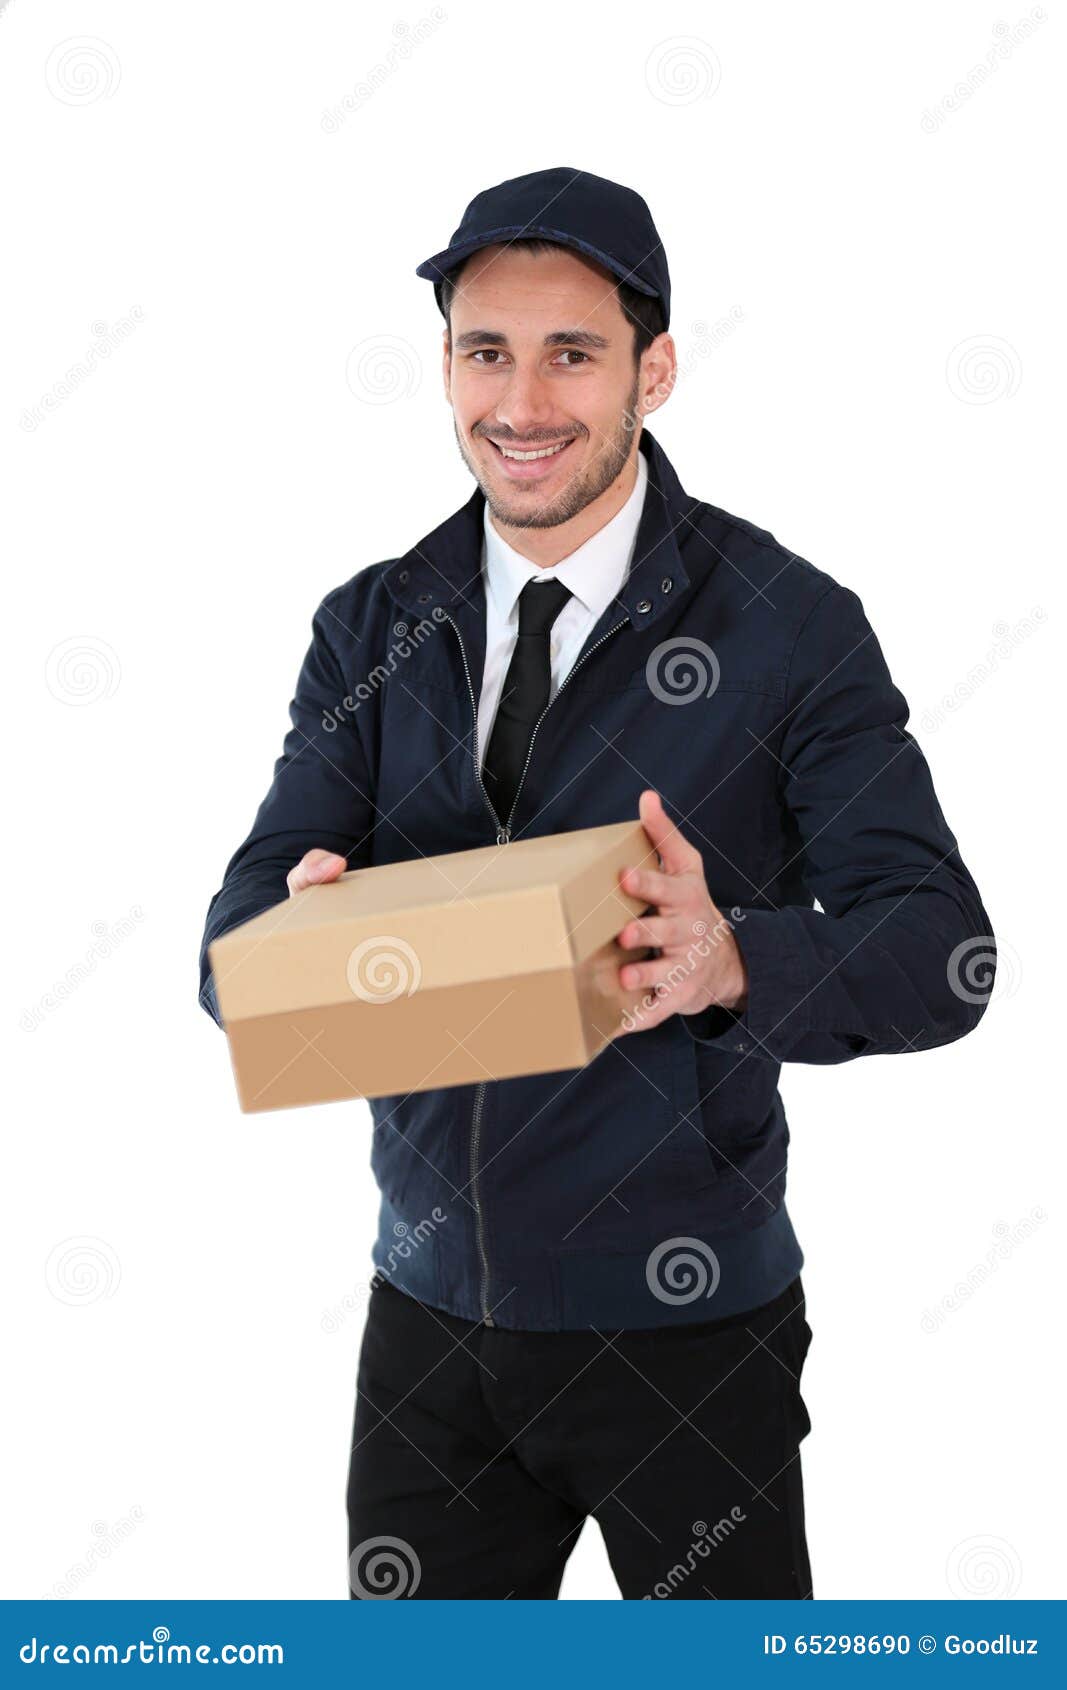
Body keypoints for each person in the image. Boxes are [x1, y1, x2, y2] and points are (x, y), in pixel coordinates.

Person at [198, 167, 994, 1600]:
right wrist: (306, 951)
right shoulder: (374, 622)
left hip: (692, 1338)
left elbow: (943, 952)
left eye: (573, 351)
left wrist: (737, 960)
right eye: (484, 351)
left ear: (657, 368)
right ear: (445, 368)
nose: (523, 401)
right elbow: (233, 958)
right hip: (429, 1338)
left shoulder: (788, 628)